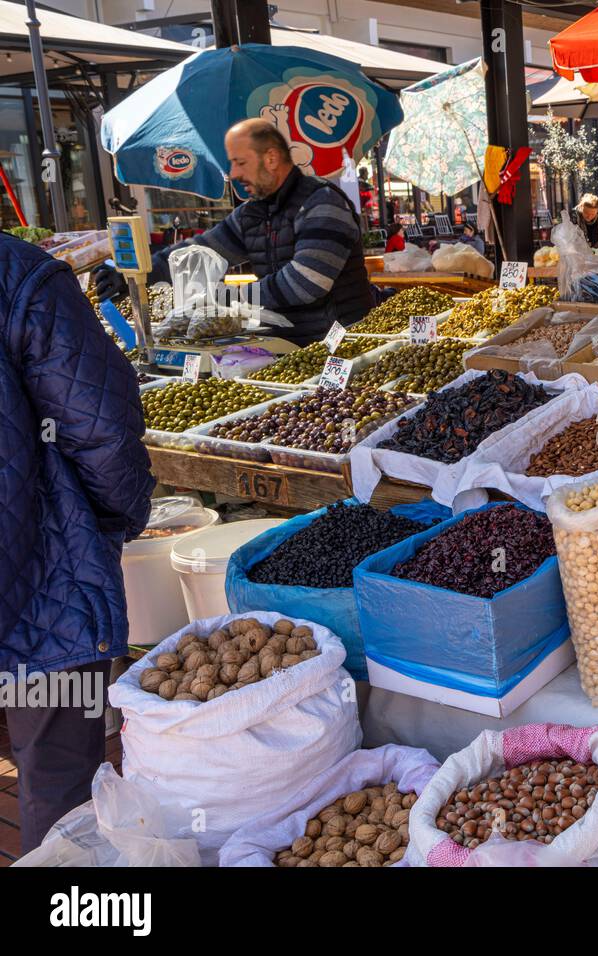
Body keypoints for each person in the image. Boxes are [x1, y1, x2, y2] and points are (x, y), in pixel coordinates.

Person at [1, 232, 154, 853]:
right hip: (45, 588)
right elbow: (102, 429)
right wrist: (115, 521)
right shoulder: (18, 273)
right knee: (61, 790)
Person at [93, 119, 372, 346]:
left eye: (240, 162)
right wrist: (140, 271)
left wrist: (218, 297)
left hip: (344, 345)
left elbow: (303, 284)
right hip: (289, 347)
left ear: (271, 159)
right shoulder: (253, 213)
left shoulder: (322, 202)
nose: (233, 174)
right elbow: (200, 251)